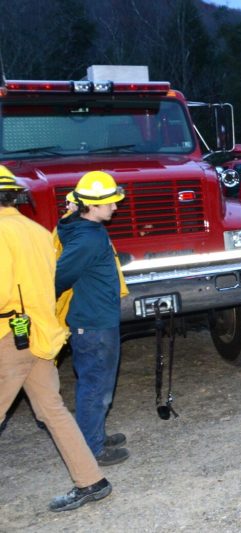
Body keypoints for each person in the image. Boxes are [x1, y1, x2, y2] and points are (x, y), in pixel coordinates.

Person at [1, 167, 113, 512]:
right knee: (53, 410)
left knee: (53, 410)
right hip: (40, 335)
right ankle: (91, 480)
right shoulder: (35, 230)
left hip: (8, 336)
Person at [55, 171, 131, 466]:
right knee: (95, 386)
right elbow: (59, 278)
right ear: (92, 206)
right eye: (110, 203)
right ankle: (91, 448)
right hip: (93, 323)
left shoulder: (86, 228)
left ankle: (93, 434)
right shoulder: (86, 239)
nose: (116, 207)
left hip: (98, 318)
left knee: (99, 383)